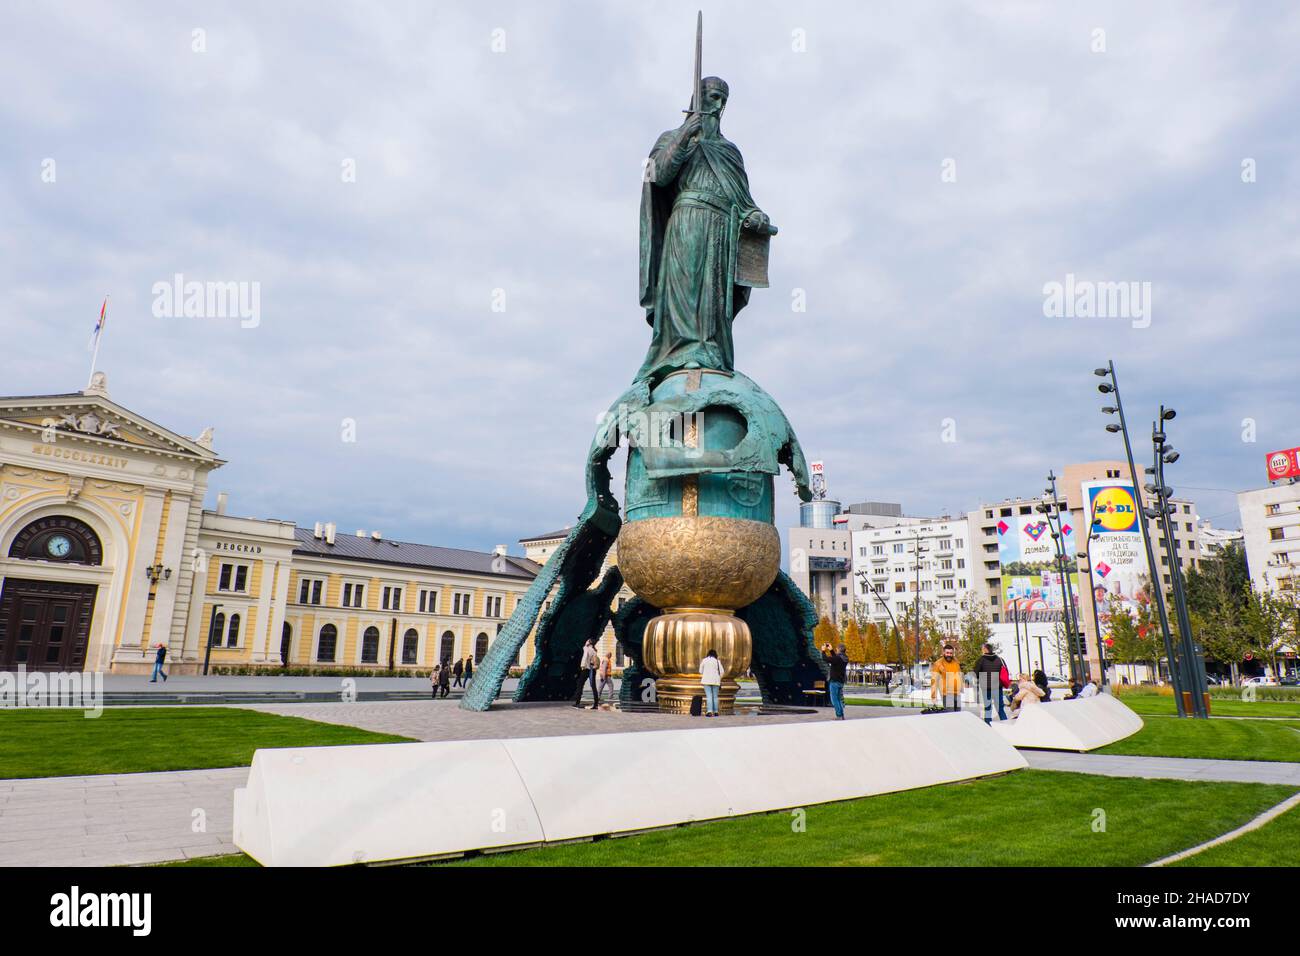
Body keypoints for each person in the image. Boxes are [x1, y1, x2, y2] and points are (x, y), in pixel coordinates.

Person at [972, 642, 1008, 724]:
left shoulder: (981, 660)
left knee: (988, 708)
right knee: (1000, 708)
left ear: (985, 649)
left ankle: (988, 725)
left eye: (982, 649)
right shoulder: (1000, 659)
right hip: (997, 687)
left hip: (986, 688)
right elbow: (1005, 671)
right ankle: (1006, 723)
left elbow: (975, 673)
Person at [930, 643, 963, 712]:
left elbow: (959, 676)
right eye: (947, 653)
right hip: (946, 693)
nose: (949, 655)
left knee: (959, 715)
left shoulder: (956, 662)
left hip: (957, 693)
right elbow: (934, 681)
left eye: (951, 653)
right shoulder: (938, 664)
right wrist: (933, 696)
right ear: (943, 652)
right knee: (950, 715)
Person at [823, 642, 849, 720]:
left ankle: (839, 715)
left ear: (839, 650)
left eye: (837, 649)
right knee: (839, 698)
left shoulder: (838, 658)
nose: (836, 650)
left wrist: (823, 651)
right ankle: (841, 714)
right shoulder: (845, 658)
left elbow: (826, 659)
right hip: (840, 681)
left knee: (834, 699)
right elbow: (836, 659)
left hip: (834, 681)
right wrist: (831, 650)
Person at [573, 639, 600, 708]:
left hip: (586, 669)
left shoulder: (587, 649)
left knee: (580, 684)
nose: (586, 641)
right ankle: (596, 703)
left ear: (589, 642)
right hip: (592, 670)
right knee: (593, 686)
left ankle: (577, 702)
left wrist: (583, 665)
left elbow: (585, 656)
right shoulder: (594, 650)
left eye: (587, 640)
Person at [700, 648, 724, 716]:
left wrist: (705, 673)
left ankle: (709, 711)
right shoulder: (717, 661)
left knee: (709, 696)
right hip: (716, 681)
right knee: (715, 697)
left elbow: (700, 671)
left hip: (706, 680)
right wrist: (719, 678)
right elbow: (722, 672)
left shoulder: (704, 660)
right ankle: (716, 711)